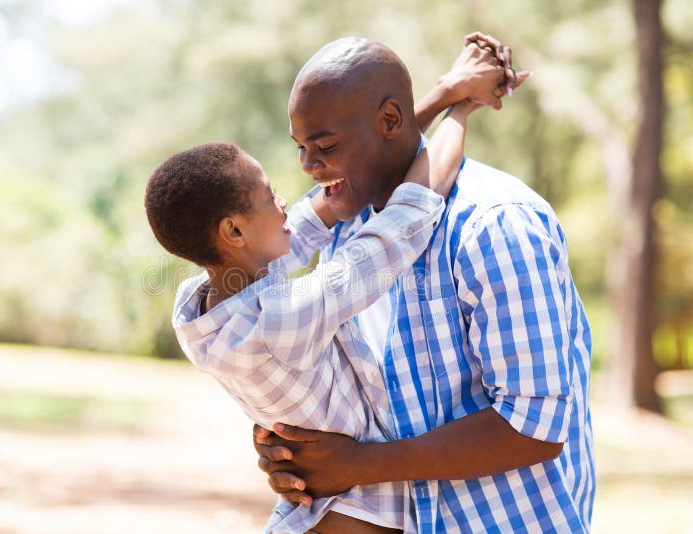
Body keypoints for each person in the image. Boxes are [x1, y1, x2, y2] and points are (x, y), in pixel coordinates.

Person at [252, 36, 595, 533]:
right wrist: (291, 447)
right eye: (301, 149)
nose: (308, 166)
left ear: (391, 121)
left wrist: (357, 465)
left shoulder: (494, 224)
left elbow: (534, 428)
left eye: (324, 147)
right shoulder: (351, 230)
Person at [146, 94, 482, 533]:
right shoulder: (282, 319)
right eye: (269, 196)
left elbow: (316, 213)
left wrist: (444, 91)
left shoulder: (203, 311)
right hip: (355, 514)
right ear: (233, 230)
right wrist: (462, 110)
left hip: (320, 515)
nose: (285, 202)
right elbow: (406, 219)